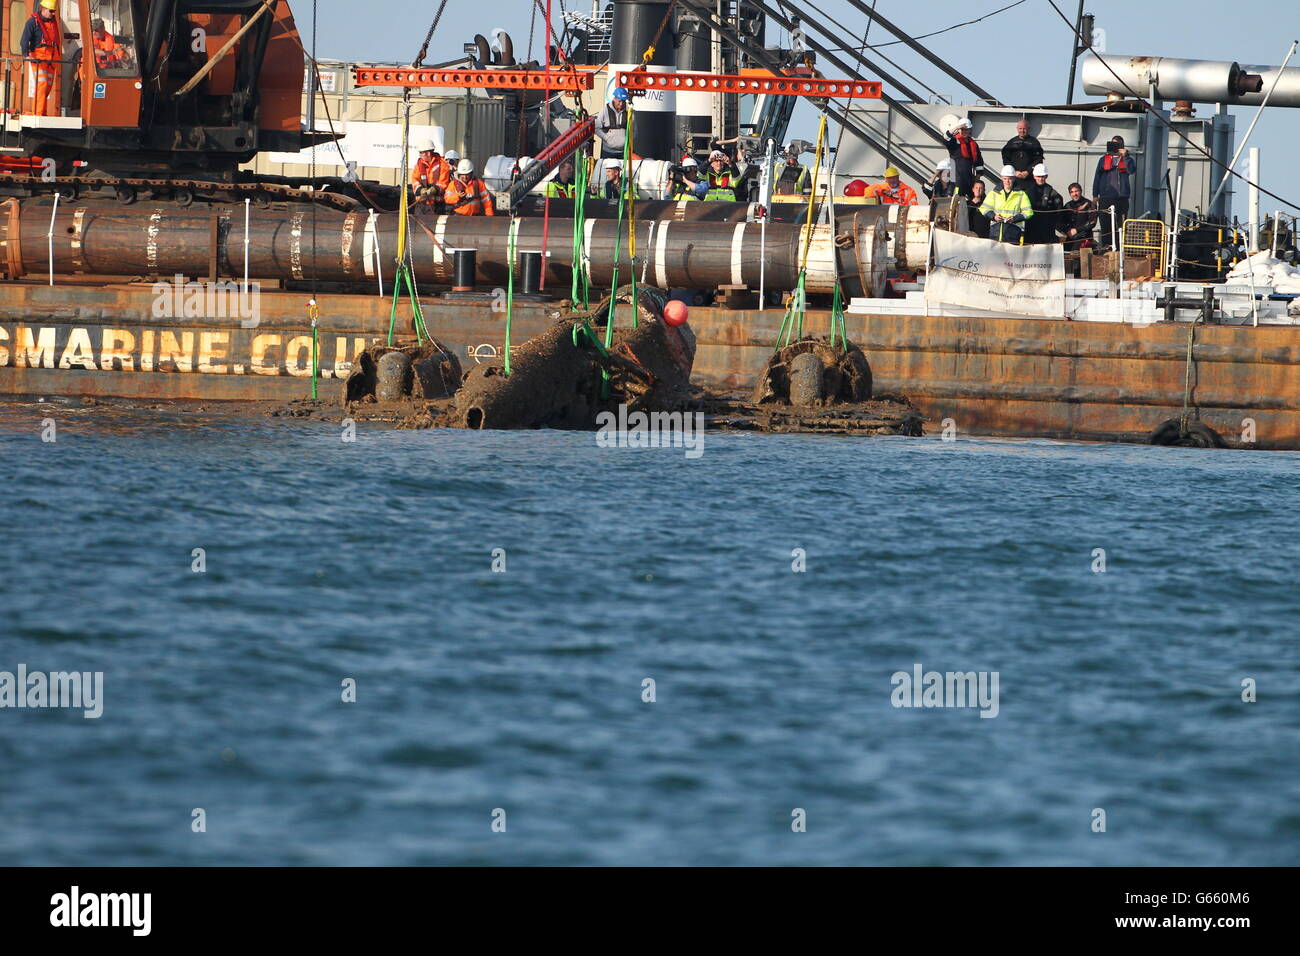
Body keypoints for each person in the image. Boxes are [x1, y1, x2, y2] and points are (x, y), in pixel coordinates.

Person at [1092, 135, 1136, 248]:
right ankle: (1107, 248)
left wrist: (1125, 156)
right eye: (1113, 144)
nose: (1115, 146)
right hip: (1106, 197)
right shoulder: (1103, 160)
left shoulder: (1128, 159)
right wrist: (1095, 195)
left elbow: (1131, 170)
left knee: (1120, 226)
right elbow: (1097, 177)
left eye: (1118, 144)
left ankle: (1120, 249)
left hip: (1122, 198)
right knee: (1105, 224)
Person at [22, 0, 61, 117]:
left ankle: (42, 114)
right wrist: (26, 55)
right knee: (42, 86)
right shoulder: (32, 22)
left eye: (54, 11)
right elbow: (24, 40)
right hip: (38, 59)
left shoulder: (53, 23)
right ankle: (37, 115)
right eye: (51, 11)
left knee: (47, 88)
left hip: (51, 59)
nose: (53, 14)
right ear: (43, 9)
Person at [980, 165, 1034, 244]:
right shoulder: (994, 193)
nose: (1007, 181)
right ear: (1002, 178)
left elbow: (1028, 212)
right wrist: (993, 217)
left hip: (1013, 232)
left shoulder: (1021, 194)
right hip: (995, 232)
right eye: (1005, 178)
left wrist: (1014, 219)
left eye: (1010, 178)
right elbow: (984, 208)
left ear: (1014, 179)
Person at [1025, 163, 1064, 245]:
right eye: (1038, 176)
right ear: (1034, 176)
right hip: (1031, 229)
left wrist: (1051, 221)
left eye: (1042, 176)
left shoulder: (1052, 192)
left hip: (1047, 230)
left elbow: (1059, 210)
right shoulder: (1028, 191)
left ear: (1046, 176)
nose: (1040, 179)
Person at [1001, 119, 1044, 191]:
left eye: (1024, 129)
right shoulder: (1012, 142)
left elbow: (1039, 159)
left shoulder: (1034, 142)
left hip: (1030, 179)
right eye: (1020, 128)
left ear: (1028, 129)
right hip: (1014, 178)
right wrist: (1014, 171)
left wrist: (1028, 171)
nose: (1022, 131)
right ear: (1017, 129)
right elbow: (1005, 158)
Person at [944, 117, 983, 196]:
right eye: (962, 129)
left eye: (966, 129)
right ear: (959, 129)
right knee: (955, 201)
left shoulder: (973, 144)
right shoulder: (954, 142)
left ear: (970, 130)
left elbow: (979, 162)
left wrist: (978, 176)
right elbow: (946, 137)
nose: (964, 131)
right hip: (956, 180)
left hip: (969, 179)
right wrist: (957, 127)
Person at [409, 139, 447, 204]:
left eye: (421, 152)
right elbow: (415, 180)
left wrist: (434, 189)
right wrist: (421, 190)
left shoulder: (442, 164)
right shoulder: (418, 165)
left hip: (437, 203)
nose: (419, 155)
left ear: (428, 153)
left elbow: (443, 182)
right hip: (421, 203)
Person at [596, 88, 629, 159]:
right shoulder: (604, 111)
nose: (621, 104)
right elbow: (597, 129)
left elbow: (634, 130)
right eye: (619, 101)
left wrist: (628, 140)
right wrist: (607, 138)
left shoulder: (629, 112)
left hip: (623, 152)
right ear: (614, 99)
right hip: (608, 152)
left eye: (623, 101)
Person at [1063, 182, 1097, 250]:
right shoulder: (1067, 206)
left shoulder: (1089, 204)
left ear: (1081, 191)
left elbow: (1092, 222)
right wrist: (1066, 230)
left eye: (1076, 191)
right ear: (1069, 194)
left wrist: (1077, 230)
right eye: (1072, 192)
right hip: (1070, 239)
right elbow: (1060, 222)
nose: (1074, 194)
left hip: (1085, 239)